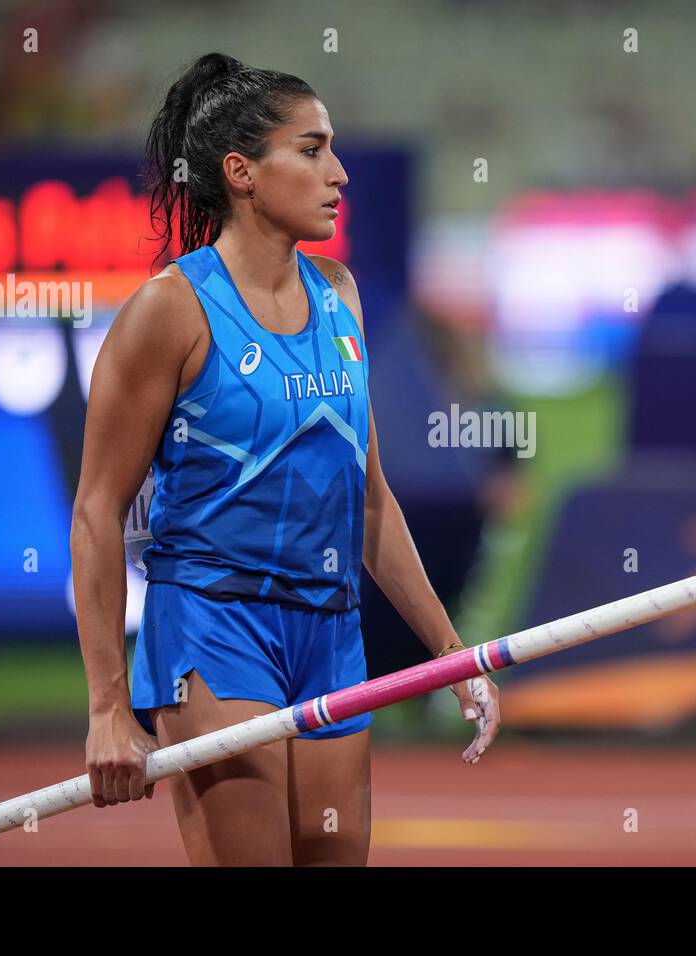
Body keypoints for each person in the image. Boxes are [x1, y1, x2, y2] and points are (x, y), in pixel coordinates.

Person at [69, 53, 500, 866]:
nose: (338, 173)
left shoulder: (340, 295)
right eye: (311, 150)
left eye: (332, 148)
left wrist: (451, 655)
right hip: (213, 627)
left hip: (331, 632)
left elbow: (369, 502)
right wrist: (107, 708)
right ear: (242, 173)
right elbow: (97, 513)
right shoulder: (169, 311)